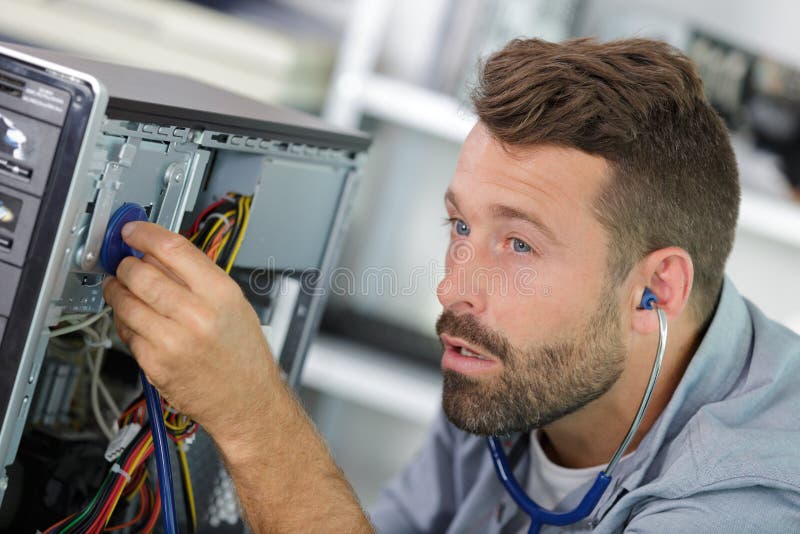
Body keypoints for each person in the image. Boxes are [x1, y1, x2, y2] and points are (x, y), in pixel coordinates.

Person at [102, 37, 800, 533]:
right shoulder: (516, 372)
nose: (453, 290)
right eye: (460, 226)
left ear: (658, 291)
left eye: (519, 243)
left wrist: (253, 419)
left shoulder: (747, 501)